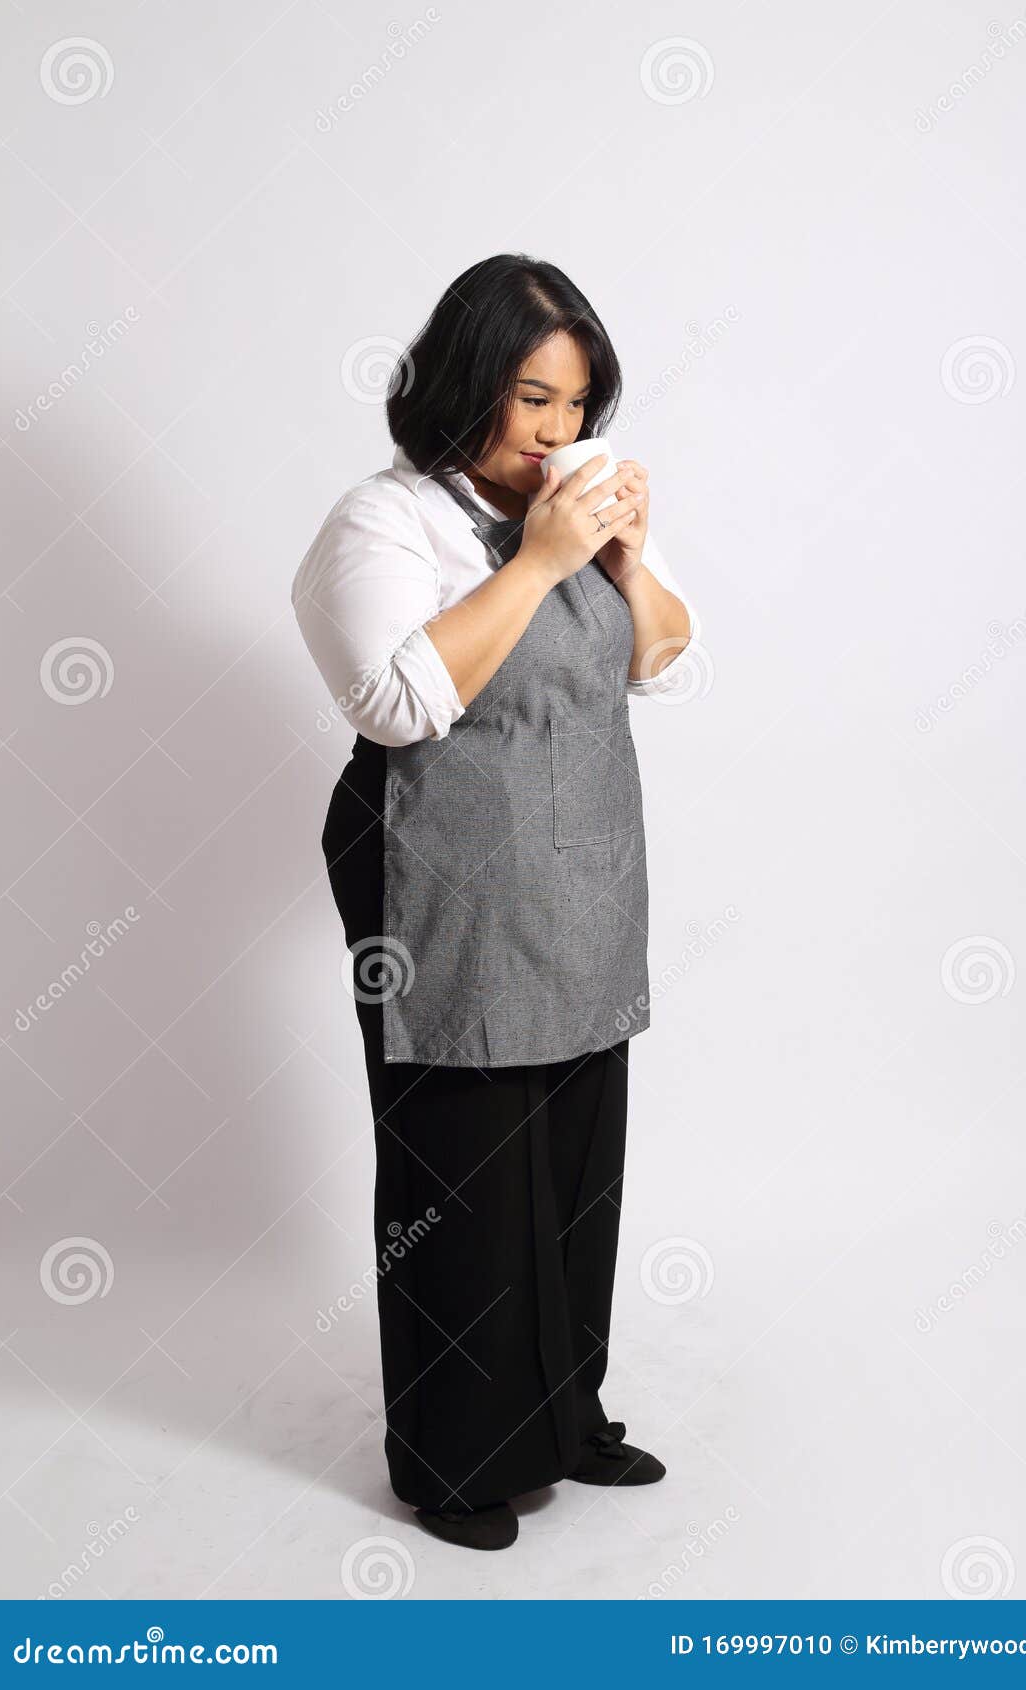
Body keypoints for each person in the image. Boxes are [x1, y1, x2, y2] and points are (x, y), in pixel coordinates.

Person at [292, 253, 701, 1552]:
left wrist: (625, 560)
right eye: (532, 398)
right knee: (463, 1170)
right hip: (442, 876)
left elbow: (668, 662)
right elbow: (396, 700)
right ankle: (459, 1459)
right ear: (466, 379)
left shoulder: (572, 512)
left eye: (577, 406)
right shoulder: (382, 524)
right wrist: (535, 562)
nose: (556, 433)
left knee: (575, 1162)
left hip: (573, 874)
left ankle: (566, 1414)